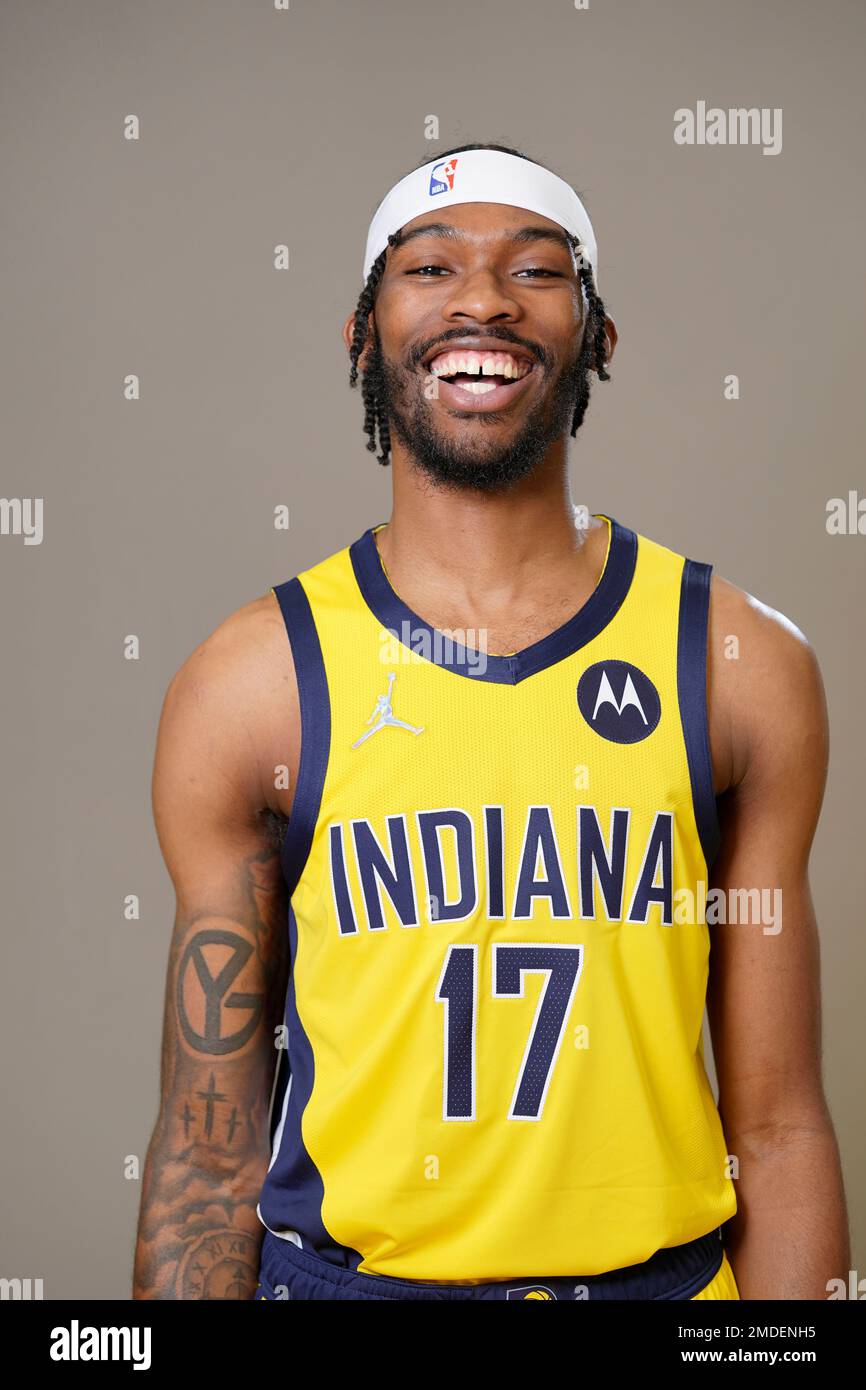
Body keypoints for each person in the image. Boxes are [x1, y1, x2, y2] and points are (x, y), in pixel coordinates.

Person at [133, 143, 849, 1300]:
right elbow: (207, 1148)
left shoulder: (736, 663)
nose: (481, 299)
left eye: (536, 269)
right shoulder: (253, 680)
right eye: (427, 267)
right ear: (362, 335)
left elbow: (776, 1127)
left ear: (598, 336)